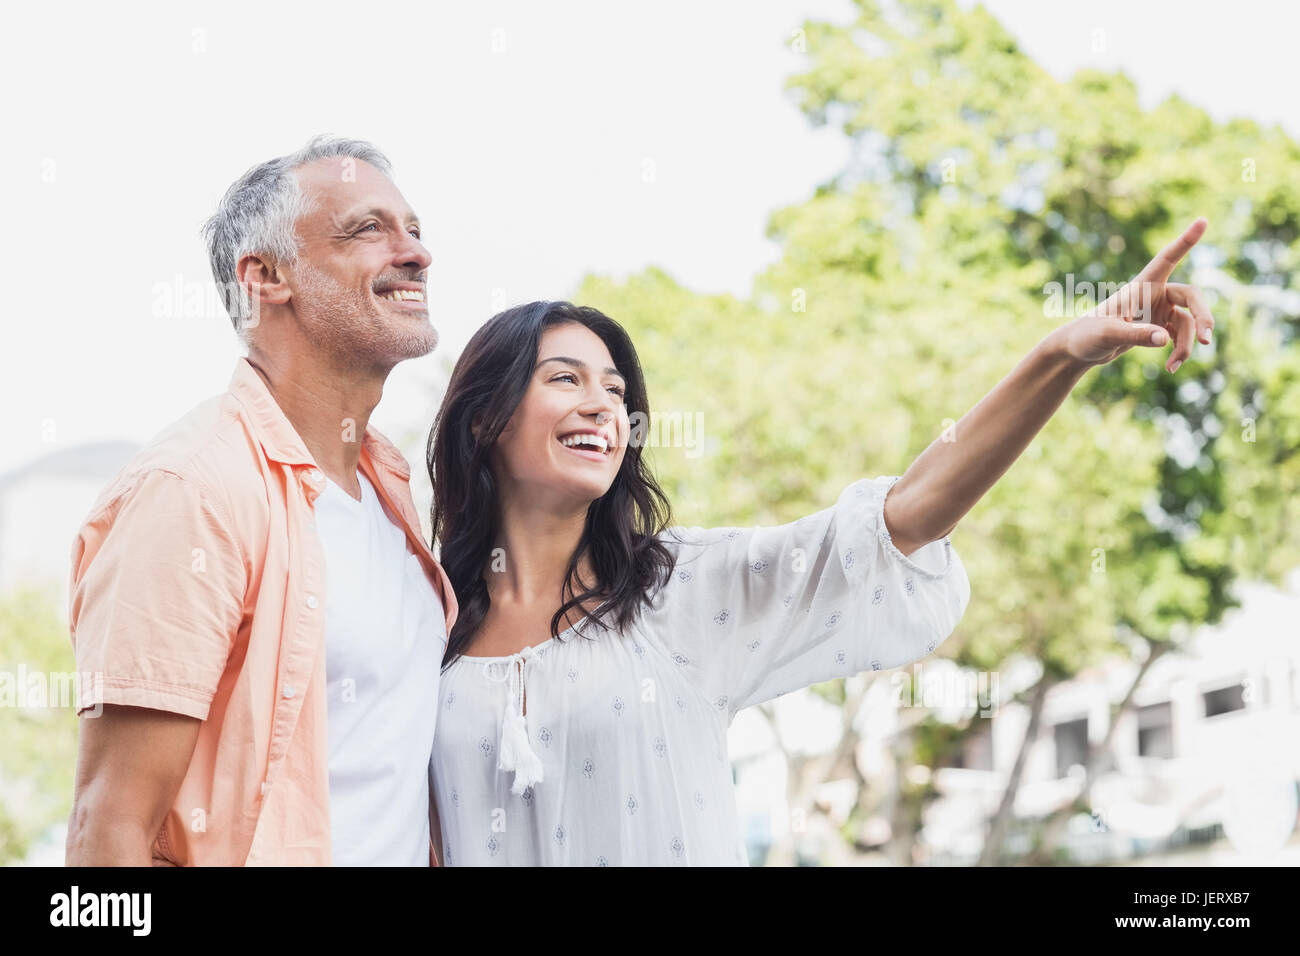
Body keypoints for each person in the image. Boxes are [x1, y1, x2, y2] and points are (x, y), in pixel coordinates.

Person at [426, 219, 1215, 865]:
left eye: (615, 390)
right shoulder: (428, 626)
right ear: (486, 418)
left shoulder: (680, 594)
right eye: (565, 379)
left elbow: (901, 521)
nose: (601, 403)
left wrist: (1058, 357)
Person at [66, 135, 457, 866]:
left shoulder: (391, 492)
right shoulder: (193, 491)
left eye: (414, 229)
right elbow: (107, 827)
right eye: (368, 229)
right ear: (266, 277)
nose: (415, 253)